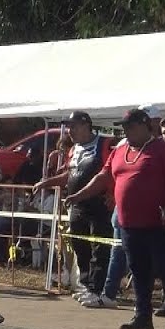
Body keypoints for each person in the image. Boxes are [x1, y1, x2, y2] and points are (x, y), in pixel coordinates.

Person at [66, 108, 165, 329]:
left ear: (145, 126)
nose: (126, 131)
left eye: (130, 127)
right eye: (124, 127)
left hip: (158, 225)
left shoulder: (163, 150)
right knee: (139, 271)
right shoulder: (121, 151)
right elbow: (103, 177)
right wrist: (78, 195)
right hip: (129, 225)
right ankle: (142, 317)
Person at [33, 112, 115, 304]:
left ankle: (98, 288)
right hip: (77, 205)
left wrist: (113, 193)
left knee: (99, 247)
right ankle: (86, 285)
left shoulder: (105, 144)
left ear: (87, 125)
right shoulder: (74, 149)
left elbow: (114, 171)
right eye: (69, 127)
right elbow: (69, 176)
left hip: (99, 205)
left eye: (74, 126)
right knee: (80, 246)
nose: (70, 131)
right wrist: (45, 183)